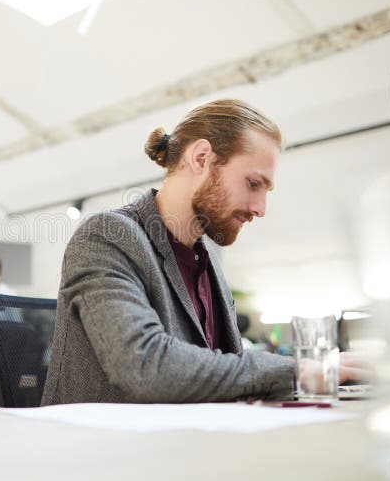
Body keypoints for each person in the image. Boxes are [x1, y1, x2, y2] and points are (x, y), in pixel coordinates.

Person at [42, 99, 369, 405]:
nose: (260, 208)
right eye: (253, 183)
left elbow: (225, 373)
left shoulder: (207, 259)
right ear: (201, 158)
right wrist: (297, 369)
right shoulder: (107, 237)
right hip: (103, 456)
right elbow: (144, 365)